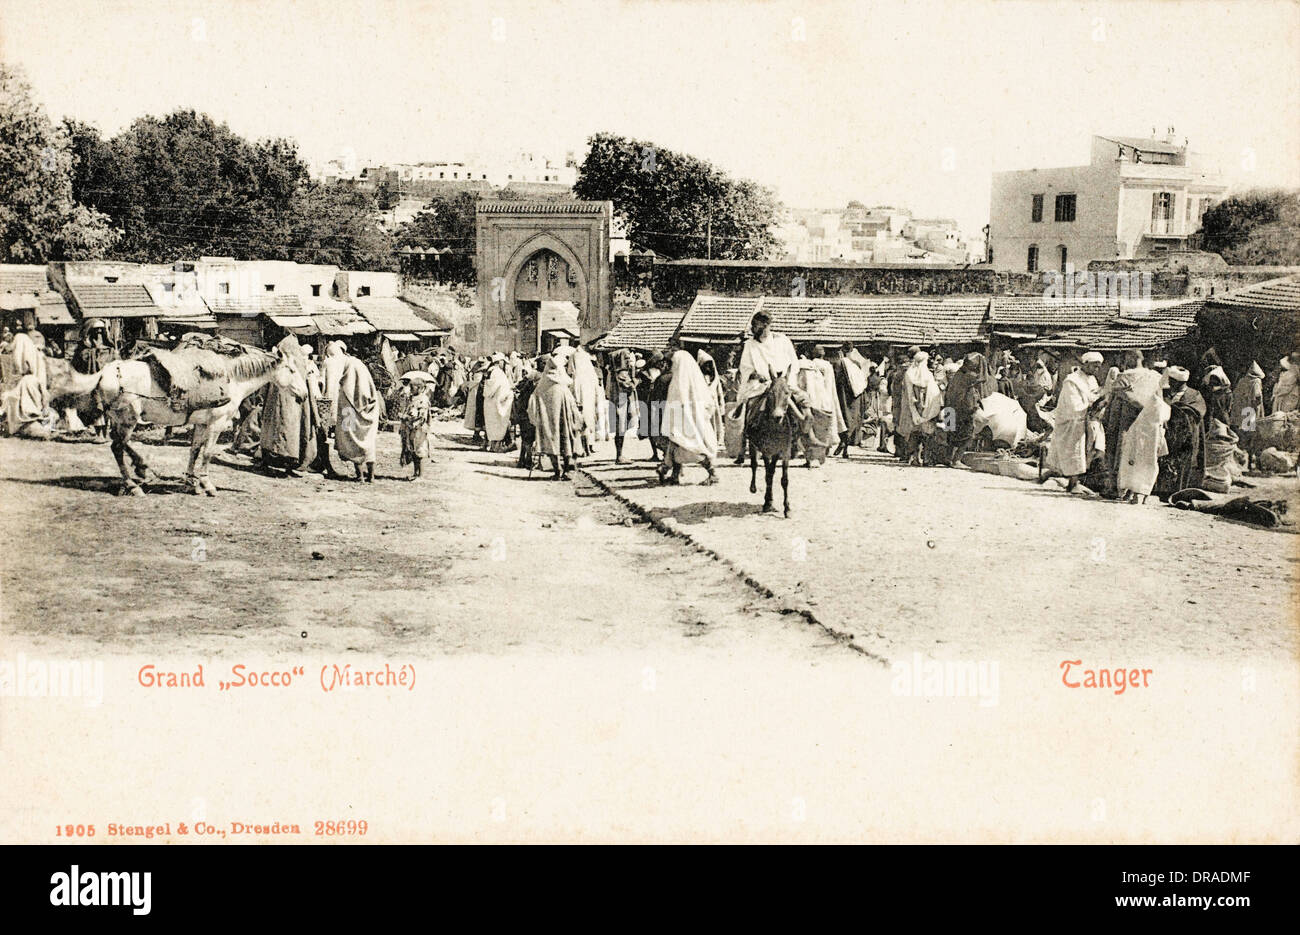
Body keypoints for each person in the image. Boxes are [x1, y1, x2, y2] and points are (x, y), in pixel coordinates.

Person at [657, 349, 720, 485]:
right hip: (688, 421)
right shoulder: (690, 380)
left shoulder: (681, 382)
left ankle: (713, 473)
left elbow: (679, 403)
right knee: (676, 446)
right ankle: (673, 474)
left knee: (693, 448)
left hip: (688, 423)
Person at [1044, 351, 1104, 492]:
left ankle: (1078, 482)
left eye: (1099, 367)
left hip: (1086, 420)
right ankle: (1073, 483)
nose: (1097, 369)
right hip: (1071, 421)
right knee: (1075, 451)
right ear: (1086, 364)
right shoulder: (1072, 381)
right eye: (1095, 366)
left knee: (1089, 449)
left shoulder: (1092, 380)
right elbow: (1072, 404)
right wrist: (1091, 405)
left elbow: (1093, 395)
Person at [259, 336, 318, 478]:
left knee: (283, 435)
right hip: (289, 407)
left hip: (291, 405)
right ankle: (278, 465)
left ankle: (279, 465)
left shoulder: (291, 363)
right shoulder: (286, 364)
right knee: (287, 435)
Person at [1115, 361, 1168, 503]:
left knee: (1140, 460)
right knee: (1136, 460)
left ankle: (1138, 493)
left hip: (1148, 431)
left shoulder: (1156, 400)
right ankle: (1133, 492)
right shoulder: (1157, 398)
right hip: (1142, 429)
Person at [527, 355, 583, 480]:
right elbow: (572, 404)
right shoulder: (563, 385)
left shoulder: (541, 386)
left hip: (548, 422)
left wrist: (535, 419)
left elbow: (532, 404)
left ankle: (557, 471)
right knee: (566, 442)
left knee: (551, 442)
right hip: (564, 420)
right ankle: (568, 470)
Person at [1156, 365, 1207, 497]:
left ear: (1181, 382)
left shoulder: (1194, 395)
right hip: (1168, 434)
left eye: (1174, 382)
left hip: (1186, 436)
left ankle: (1179, 492)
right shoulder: (1166, 393)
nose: (1171, 384)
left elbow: (1196, 413)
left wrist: (1177, 410)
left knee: (1183, 464)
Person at [334, 347, 381, 482]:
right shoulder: (356, 367)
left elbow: (362, 395)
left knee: (354, 441)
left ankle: (363, 476)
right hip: (362, 413)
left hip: (354, 414)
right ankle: (365, 476)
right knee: (362, 443)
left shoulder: (351, 367)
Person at [3, 325, 50, 439]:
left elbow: (19, 361)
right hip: (33, 379)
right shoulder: (29, 345)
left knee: (10, 397)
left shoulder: (20, 340)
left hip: (29, 379)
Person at [898, 349, 942, 465]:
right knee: (924, 433)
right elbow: (932, 392)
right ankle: (922, 458)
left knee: (915, 433)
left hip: (915, 407)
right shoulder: (925, 374)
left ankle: (917, 457)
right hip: (923, 407)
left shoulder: (909, 374)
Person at [830, 344, 867, 459]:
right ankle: (846, 447)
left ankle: (843, 443)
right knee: (852, 420)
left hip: (843, 395)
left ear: (842, 350)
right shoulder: (856, 364)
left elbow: (835, 379)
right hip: (856, 396)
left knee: (843, 419)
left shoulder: (839, 363)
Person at [397, 374, 434, 480]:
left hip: (419, 428)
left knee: (420, 450)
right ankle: (415, 473)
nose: (411, 389)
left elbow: (422, 416)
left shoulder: (424, 399)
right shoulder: (411, 398)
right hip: (410, 427)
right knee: (412, 449)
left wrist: (408, 417)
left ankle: (421, 475)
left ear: (420, 388)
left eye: (413, 387)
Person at [606, 347, 639, 464]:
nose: (628, 359)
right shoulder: (622, 373)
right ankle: (619, 456)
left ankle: (619, 455)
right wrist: (636, 380)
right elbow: (629, 385)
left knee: (621, 426)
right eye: (626, 358)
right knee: (621, 426)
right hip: (622, 399)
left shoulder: (616, 372)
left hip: (620, 398)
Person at [1231, 361, 1265, 469]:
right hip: (1250, 411)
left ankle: (1243, 461)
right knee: (1251, 436)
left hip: (1242, 411)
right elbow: (1257, 397)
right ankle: (1249, 462)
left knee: (1242, 435)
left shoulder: (1242, 381)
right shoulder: (1256, 382)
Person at [568, 343, 601, 455]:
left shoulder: (577, 377)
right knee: (587, 422)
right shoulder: (590, 374)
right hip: (587, 400)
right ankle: (588, 447)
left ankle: (585, 447)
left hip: (582, 401)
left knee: (582, 423)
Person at [481, 353, 515, 452]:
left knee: (492, 425)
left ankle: (492, 446)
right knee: (499, 424)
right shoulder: (498, 373)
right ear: (499, 362)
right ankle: (496, 447)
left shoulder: (491, 371)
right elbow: (501, 388)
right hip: (497, 402)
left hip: (490, 402)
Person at [696, 349, 726, 457]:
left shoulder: (715, 377)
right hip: (701, 405)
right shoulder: (697, 377)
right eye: (705, 364)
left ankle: (714, 443)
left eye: (709, 364)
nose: (707, 367)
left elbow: (719, 391)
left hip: (713, 405)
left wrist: (721, 402)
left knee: (714, 425)